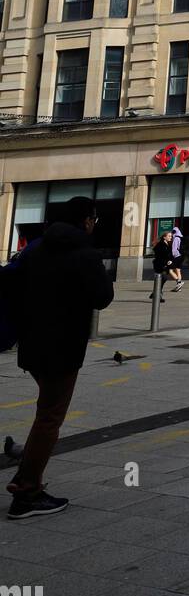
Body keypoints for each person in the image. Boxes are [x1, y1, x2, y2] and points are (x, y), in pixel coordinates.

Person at [4, 196, 114, 519]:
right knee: (50, 417)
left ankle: (25, 476)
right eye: (94, 218)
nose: (94, 224)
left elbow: (11, 283)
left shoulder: (35, 248)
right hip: (63, 348)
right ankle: (27, 492)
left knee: (45, 411)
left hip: (32, 345)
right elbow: (103, 297)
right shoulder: (85, 254)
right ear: (85, 220)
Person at [149, 228, 173, 301]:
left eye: (171, 236)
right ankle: (157, 295)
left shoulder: (168, 244)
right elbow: (159, 256)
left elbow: (169, 255)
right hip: (160, 265)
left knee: (162, 279)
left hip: (164, 265)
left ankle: (155, 293)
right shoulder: (160, 245)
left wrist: (170, 260)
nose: (170, 237)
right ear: (164, 237)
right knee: (162, 278)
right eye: (169, 236)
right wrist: (166, 261)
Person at [168, 222, 185, 291]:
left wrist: (172, 258)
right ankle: (179, 287)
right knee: (178, 270)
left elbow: (174, 250)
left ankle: (179, 282)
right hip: (181, 256)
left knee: (170, 270)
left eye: (172, 232)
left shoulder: (176, 239)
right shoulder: (181, 238)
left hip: (177, 256)